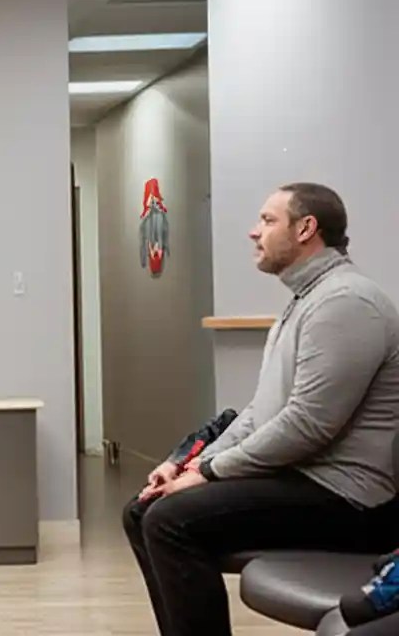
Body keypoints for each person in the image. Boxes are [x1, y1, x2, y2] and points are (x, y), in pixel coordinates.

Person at [123, 182, 399, 636]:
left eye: (268, 221)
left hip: (352, 501)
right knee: (142, 509)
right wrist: (191, 465)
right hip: (308, 479)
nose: (254, 232)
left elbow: (308, 426)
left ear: (307, 228)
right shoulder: (307, 301)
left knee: (172, 521)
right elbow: (259, 413)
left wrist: (210, 473)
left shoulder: (347, 303)